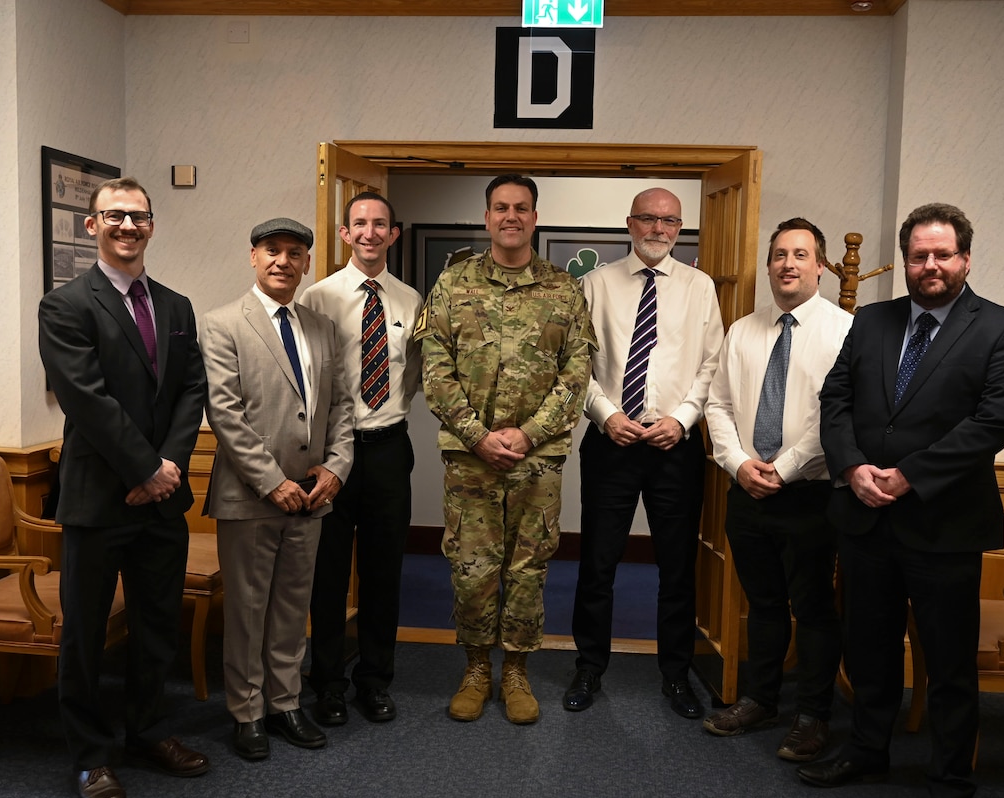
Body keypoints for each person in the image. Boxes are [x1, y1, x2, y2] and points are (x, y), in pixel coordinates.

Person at [801, 203, 1004, 798]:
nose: (929, 266)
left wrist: (908, 476)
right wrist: (851, 469)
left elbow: (995, 423)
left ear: (965, 258)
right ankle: (867, 750)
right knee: (868, 648)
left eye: (942, 254)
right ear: (904, 260)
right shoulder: (872, 320)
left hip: (944, 526)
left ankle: (951, 787)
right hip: (865, 517)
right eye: (918, 256)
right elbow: (836, 398)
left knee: (950, 665)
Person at [38, 177, 209, 798]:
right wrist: (146, 467)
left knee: (157, 625)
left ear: (152, 225)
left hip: (161, 500)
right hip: (97, 499)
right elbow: (87, 399)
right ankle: (89, 757)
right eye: (114, 216)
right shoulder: (64, 306)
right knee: (83, 634)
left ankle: (148, 731)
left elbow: (193, 391)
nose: (127, 227)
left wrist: (170, 467)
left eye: (138, 217)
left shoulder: (176, 305)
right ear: (92, 226)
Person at [416, 174, 596, 725]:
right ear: (488, 216)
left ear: (535, 218)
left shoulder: (564, 288)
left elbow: (577, 372)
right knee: (472, 568)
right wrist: (478, 435)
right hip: (470, 457)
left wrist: (529, 434)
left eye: (521, 208)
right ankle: (475, 667)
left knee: (528, 566)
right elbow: (435, 368)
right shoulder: (452, 284)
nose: (511, 216)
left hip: (537, 459)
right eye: (501, 208)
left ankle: (515, 669)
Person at [198, 218, 355, 761]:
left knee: (292, 606)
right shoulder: (222, 324)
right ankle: (246, 712)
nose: (282, 261)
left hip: (313, 495)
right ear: (253, 257)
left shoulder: (321, 327)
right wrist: (272, 482)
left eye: (294, 253)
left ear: (307, 263)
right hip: (252, 496)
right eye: (271, 251)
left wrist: (336, 468)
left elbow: (341, 407)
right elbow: (225, 412)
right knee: (247, 608)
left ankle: (286, 702)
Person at [564, 187, 723, 719]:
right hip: (611, 442)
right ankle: (589, 667)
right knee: (599, 562)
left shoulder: (700, 288)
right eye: (649, 219)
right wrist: (607, 415)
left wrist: (680, 421)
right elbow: (576, 365)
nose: (658, 229)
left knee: (677, 568)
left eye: (670, 221)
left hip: (674, 446)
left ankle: (676, 675)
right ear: (630, 223)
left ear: (680, 228)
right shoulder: (594, 284)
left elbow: (711, 365)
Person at [702, 218, 852, 761]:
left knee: (812, 608)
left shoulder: (844, 332)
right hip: (746, 493)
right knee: (762, 604)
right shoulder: (742, 330)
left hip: (810, 495)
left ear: (820, 266)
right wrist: (739, 463)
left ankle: (812, 716)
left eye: (800, 254)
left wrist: (782, 468)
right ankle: (760, 700)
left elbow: (836, 418)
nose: (788, 263)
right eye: (779, 255)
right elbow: (718, 405)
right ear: (769, 266)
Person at [302, 192, 423, 726]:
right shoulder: (318, 297)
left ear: (393, 234)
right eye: (359, 224)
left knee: (382, 574)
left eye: (380, 224)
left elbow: (415, 375)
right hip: (331, 454)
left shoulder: (411, 300)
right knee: (326, 575)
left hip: (389, 449)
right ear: (345, 234)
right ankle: (327, 682)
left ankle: (374, 681)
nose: (370, 232)